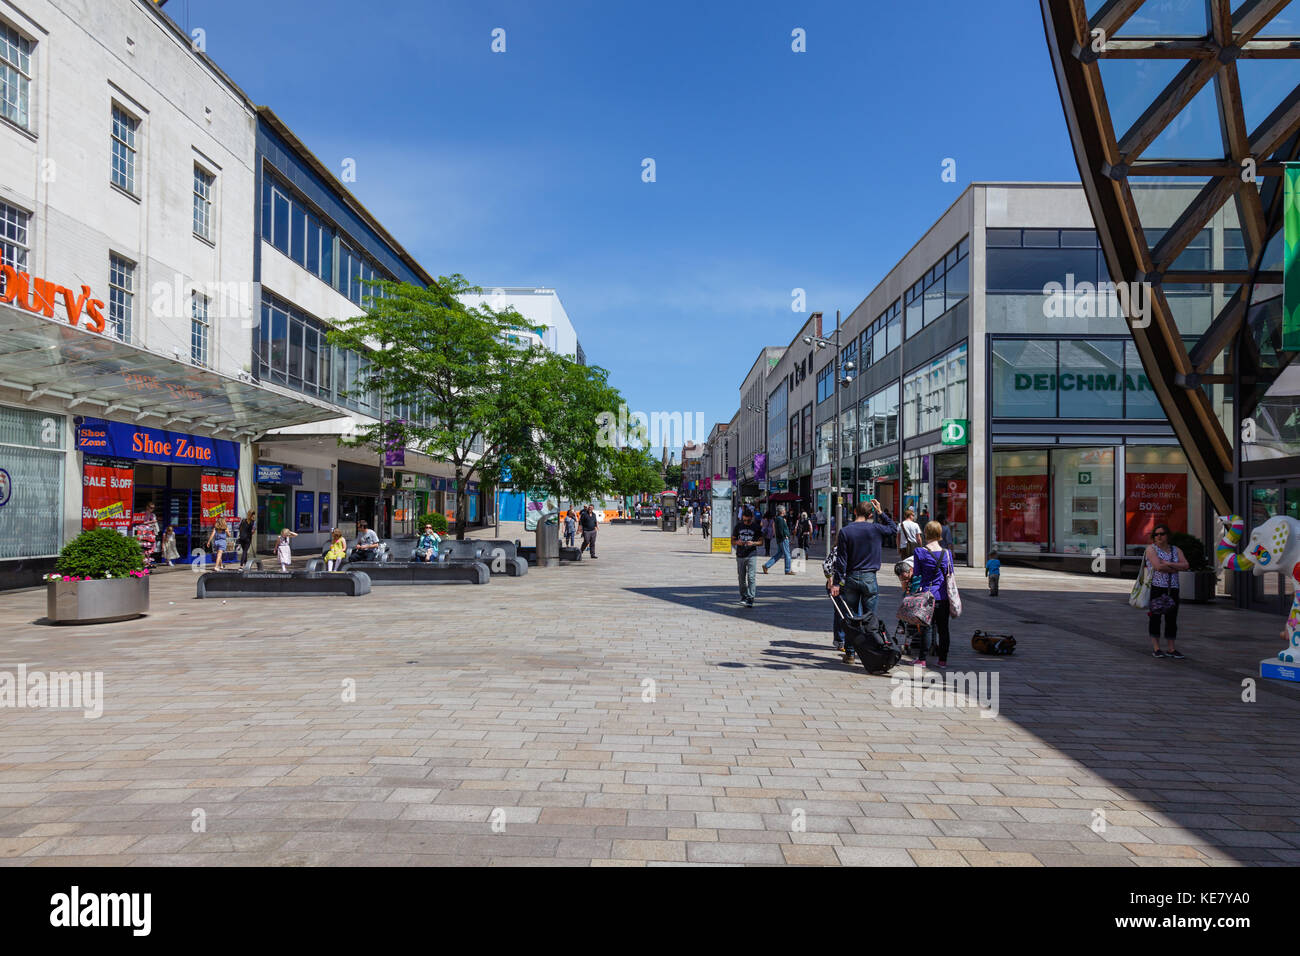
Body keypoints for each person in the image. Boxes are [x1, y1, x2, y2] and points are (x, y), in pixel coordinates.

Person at [828, 500, 899, 662]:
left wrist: (837, 583)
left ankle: (850, 653)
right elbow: (893, 529)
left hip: (852, 577)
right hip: (869, 577)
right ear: (870, 515)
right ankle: (871, 651)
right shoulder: (876, 529)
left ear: (854, 512)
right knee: (870, 617)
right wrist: (881, 512)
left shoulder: (845, 531)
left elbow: (841, 560)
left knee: (850, 617)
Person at [911, 521, 955, 668]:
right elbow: (950, 574)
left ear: (926, 533)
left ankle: (922, 659)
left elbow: (917, 573)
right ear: (939, 533)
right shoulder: (947, 553)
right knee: (944, 629)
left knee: (926, 628)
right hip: (943, 597)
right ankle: (943, 660)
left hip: (926, 595)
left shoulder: (920, 552)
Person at [1145, 523, 1188, 659]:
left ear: (1167, 535)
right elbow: (1158, 567)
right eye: (1156, 534)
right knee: (1156, 617)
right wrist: (1176, 568)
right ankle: (1157, 648)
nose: (1159, 536)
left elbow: (1186, 565)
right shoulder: (1151, 549)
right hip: (1158, 587)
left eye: (1162, 534)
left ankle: (1171, 648)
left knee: (1171, 618)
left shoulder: (1176, 550)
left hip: (1172, 588)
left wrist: (1169, 564)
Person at [731, 507, 762, 608]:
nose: (746, 522)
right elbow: (732, 540)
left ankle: (750, 598)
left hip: (751, 555)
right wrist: (737, 542)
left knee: (751, 577)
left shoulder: (756, 527)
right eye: (744, 520)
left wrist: (753, 543)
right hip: (740, 555)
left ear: (752, 518)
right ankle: (743, 596)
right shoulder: (738, 526)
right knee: (741, 577)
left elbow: (761, 542)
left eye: (748, 520)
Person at [763, 506, 795, 575]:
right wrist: (785, 536)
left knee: (779, 554)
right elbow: (780, 529)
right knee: (787, 554)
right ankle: (787, 570)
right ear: (782, 511)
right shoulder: (780, 519)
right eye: (784, 510)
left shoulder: (779, 519)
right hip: (783, 539)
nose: (785, 511)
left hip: (780, 539)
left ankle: (766, 565)